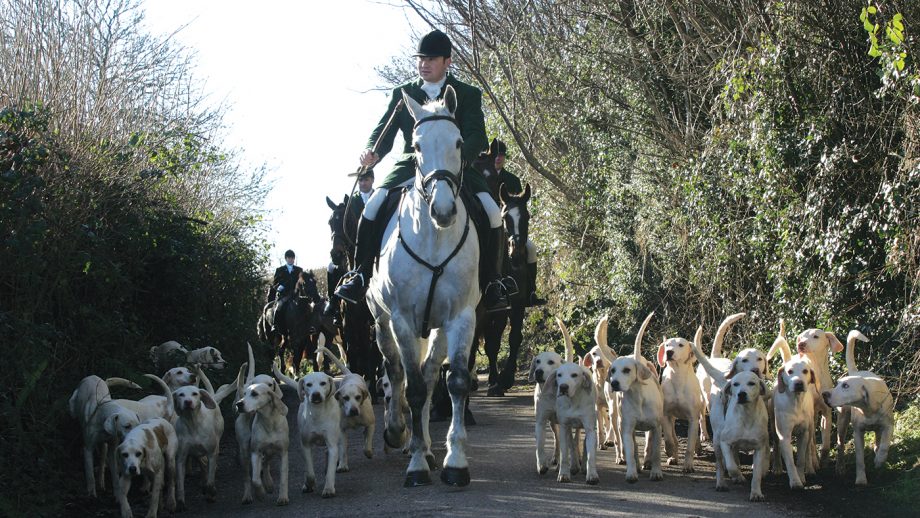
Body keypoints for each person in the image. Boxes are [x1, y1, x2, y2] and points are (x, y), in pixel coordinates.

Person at [335, 29, 513, 313]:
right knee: (373, 206)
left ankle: (493, 282)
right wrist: (372, 152)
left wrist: (459, 160)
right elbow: (384, 132)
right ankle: (360, 274)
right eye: (420, 59)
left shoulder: (468, 94)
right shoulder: (403, 93)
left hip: (457, 166)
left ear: (447, 61)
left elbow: (477, 135)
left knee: (492, 211)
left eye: (430, 59)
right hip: (412, 163)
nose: (423, 64)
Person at [488, 138, 546, 306]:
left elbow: (519, 207)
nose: (498, 158)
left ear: (505, 157)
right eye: (496, 155)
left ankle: (531, 292)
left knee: (531, 248)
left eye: (501, 155)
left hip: (511, 230)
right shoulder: (484, 175)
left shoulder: (512, 179)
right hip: (489, 227)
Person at [268, 249, 303, 333]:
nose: (291, 259)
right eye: (289, 258)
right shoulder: (280, 270)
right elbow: (275, 283)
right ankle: (274, 325)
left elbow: (302, 282)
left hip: (296, 295)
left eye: (292, 258)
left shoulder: (299, 270)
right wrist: (279, 286)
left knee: (307, 306)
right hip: (284, 295)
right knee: (279, 305)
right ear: (286, 259)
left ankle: (310, 326)